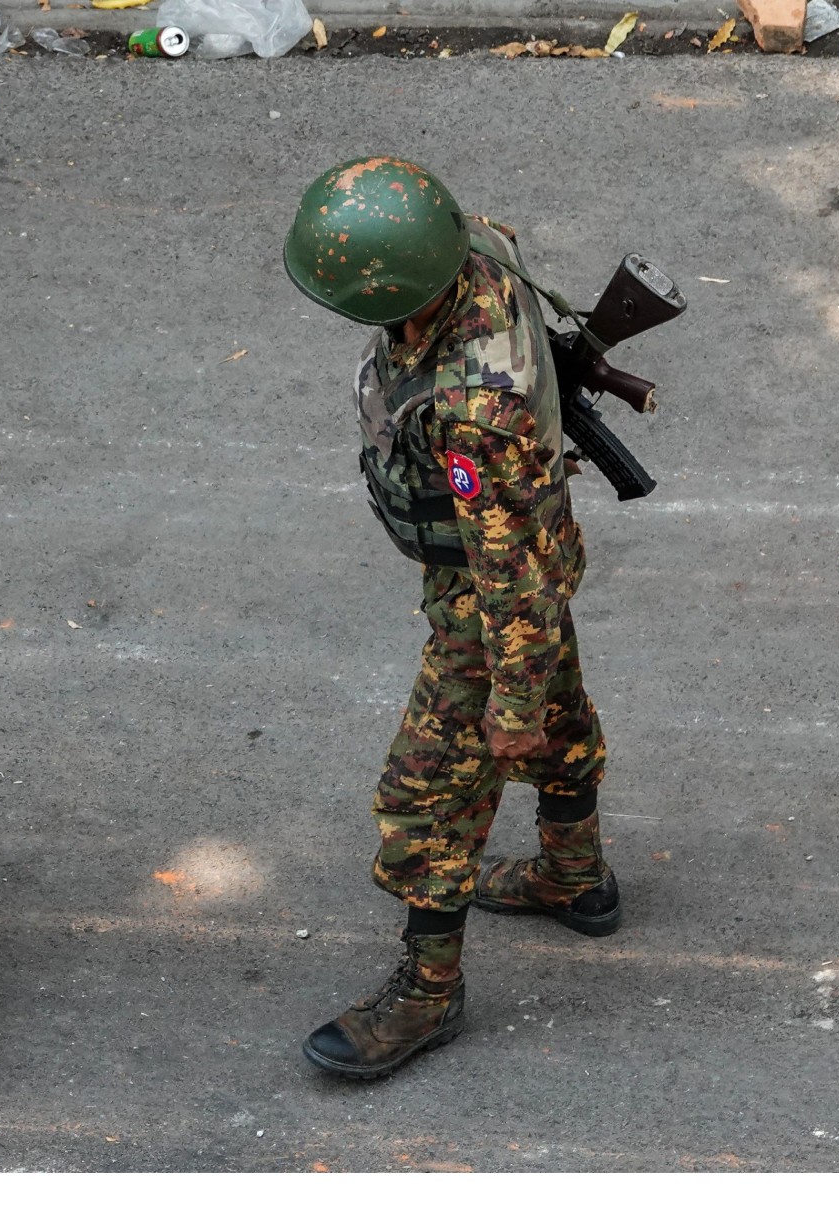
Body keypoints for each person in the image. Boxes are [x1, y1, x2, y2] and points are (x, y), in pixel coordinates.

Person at [282, 158, 621, 1079]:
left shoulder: (477, 414)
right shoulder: (469, 243)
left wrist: (508, 700)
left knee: (427, 797)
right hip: (529, 553)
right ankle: (574, 875)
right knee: (558, 710)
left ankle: (427, 997)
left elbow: (509, 578)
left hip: (493, 596)